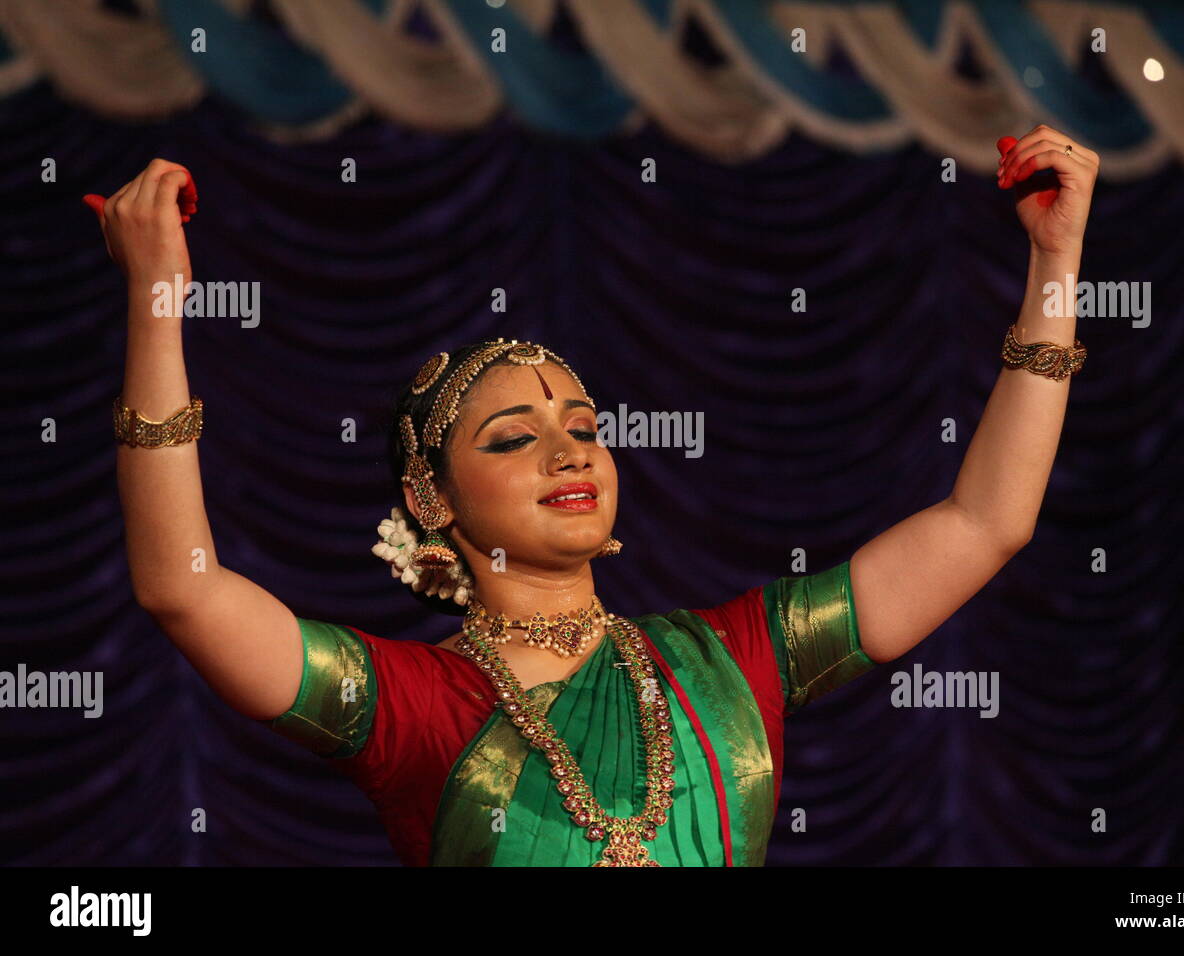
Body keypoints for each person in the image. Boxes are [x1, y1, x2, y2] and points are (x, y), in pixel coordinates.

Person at [92, 127, 1098, 866]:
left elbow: (984, 522)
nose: (568, 455)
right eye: (514, 439)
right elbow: (184, 590)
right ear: (428, 496)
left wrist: (1054, 263)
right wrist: (156, 305)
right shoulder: (412, 706)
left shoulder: (732, 660)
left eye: (583, 428)